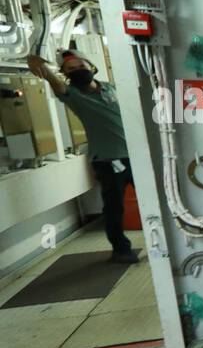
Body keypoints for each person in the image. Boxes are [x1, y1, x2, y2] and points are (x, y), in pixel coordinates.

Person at [26, 50, 138, 264]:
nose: (78, 71)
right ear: (65, 75)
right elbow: (53, 80)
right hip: (107, 161)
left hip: (136, 155)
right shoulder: (73, 95)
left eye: (81, 66)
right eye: (71, 70)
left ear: (92, 68)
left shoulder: (111, 88)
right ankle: (121, 249)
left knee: (156, 197)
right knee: (115, 207)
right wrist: (38, 63)